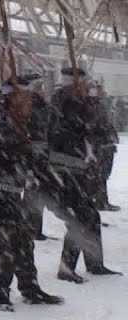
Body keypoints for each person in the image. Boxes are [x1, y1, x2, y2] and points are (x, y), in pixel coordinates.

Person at [0, 74, 63, 311]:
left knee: (23, 238)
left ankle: (29, 287)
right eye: (26, 95)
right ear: (13, 96)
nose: (30, 99)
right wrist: (20, 169)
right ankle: (0, 292)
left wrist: (31, 170)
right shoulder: (0, 119)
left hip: (12, 188)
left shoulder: (20, 117)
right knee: (8, 240)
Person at [48, 67, 120, 282]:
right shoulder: (61, 104)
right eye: (85, 83)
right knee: (78, 219)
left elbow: (95, 130)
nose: (89, 86)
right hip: (67, 169)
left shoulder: (84, 104)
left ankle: (94, 262)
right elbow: (58, 139)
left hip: (84, 170)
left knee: (91, 216)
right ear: (73, 83)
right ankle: (66, 268)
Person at [25, 75, 54, 241]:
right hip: (34, 154)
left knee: (39, 193)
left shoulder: (43, 106)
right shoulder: (29, 105)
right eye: (38, 87)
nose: (42, 91)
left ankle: (36, 228)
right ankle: (31, 227)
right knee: (33, 193)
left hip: (43, 154)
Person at [91, 82, 120, 212]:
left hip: (106, 145)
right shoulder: (92, 106)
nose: (103, 91)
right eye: (100, 89)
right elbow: (99, 126)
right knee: (100, 176)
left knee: (104, 175)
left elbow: (108, 124)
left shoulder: (102, 104)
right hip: (100, 146)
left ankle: (102, 200)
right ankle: (100, 201)